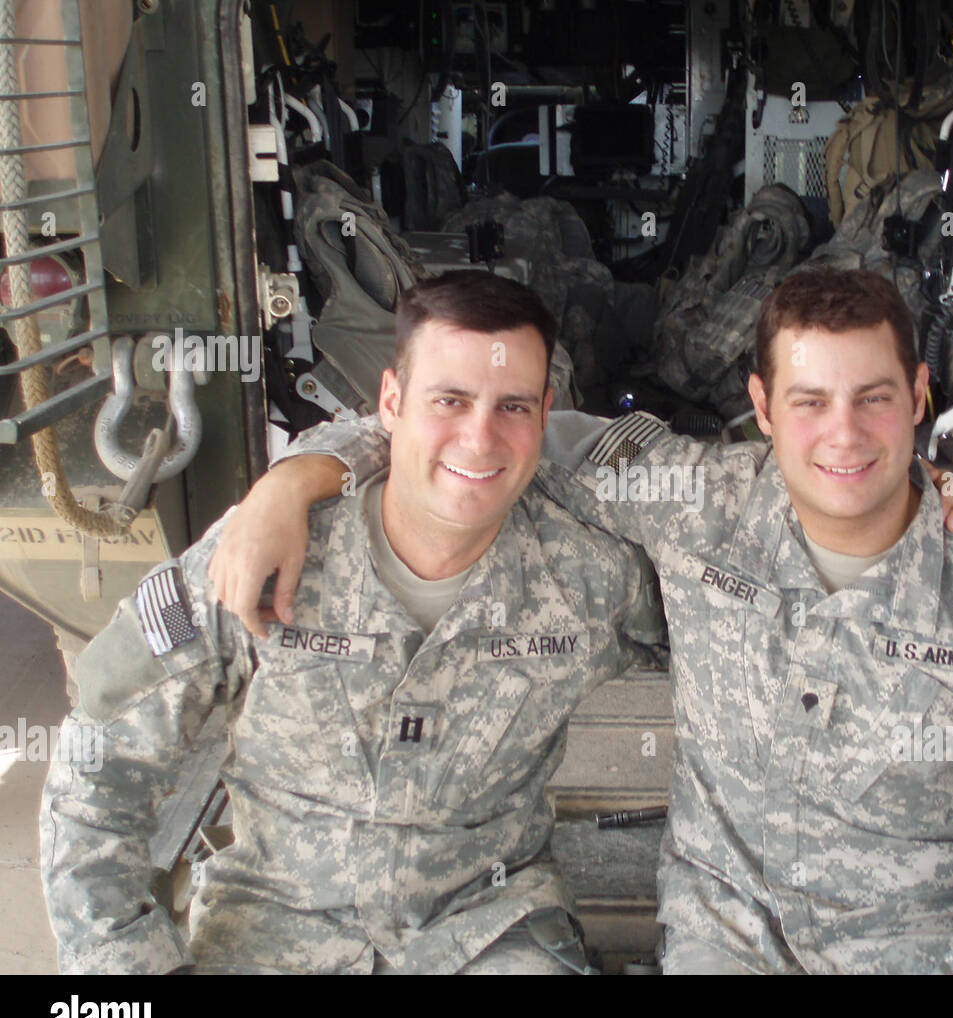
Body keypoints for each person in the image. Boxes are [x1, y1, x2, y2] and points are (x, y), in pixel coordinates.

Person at [210, 267, 953, 974]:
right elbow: (476, 441)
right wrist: (297, 475)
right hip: (726, 939)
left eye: (875, 399)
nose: (845, 436)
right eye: (810, 402)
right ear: (763, 408)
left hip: (925, 946)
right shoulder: (690, 501)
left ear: (922, 396)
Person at [39, 271, 669, 974]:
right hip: (273, 929)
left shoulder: (589, 573)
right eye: (449, 400)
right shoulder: (266, 554)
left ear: (546, 413)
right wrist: (125, 971)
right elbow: (100, 768)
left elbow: (741, 618)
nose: (480, 437)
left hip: (486, 930)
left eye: (513, 407)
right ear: (392, 403)